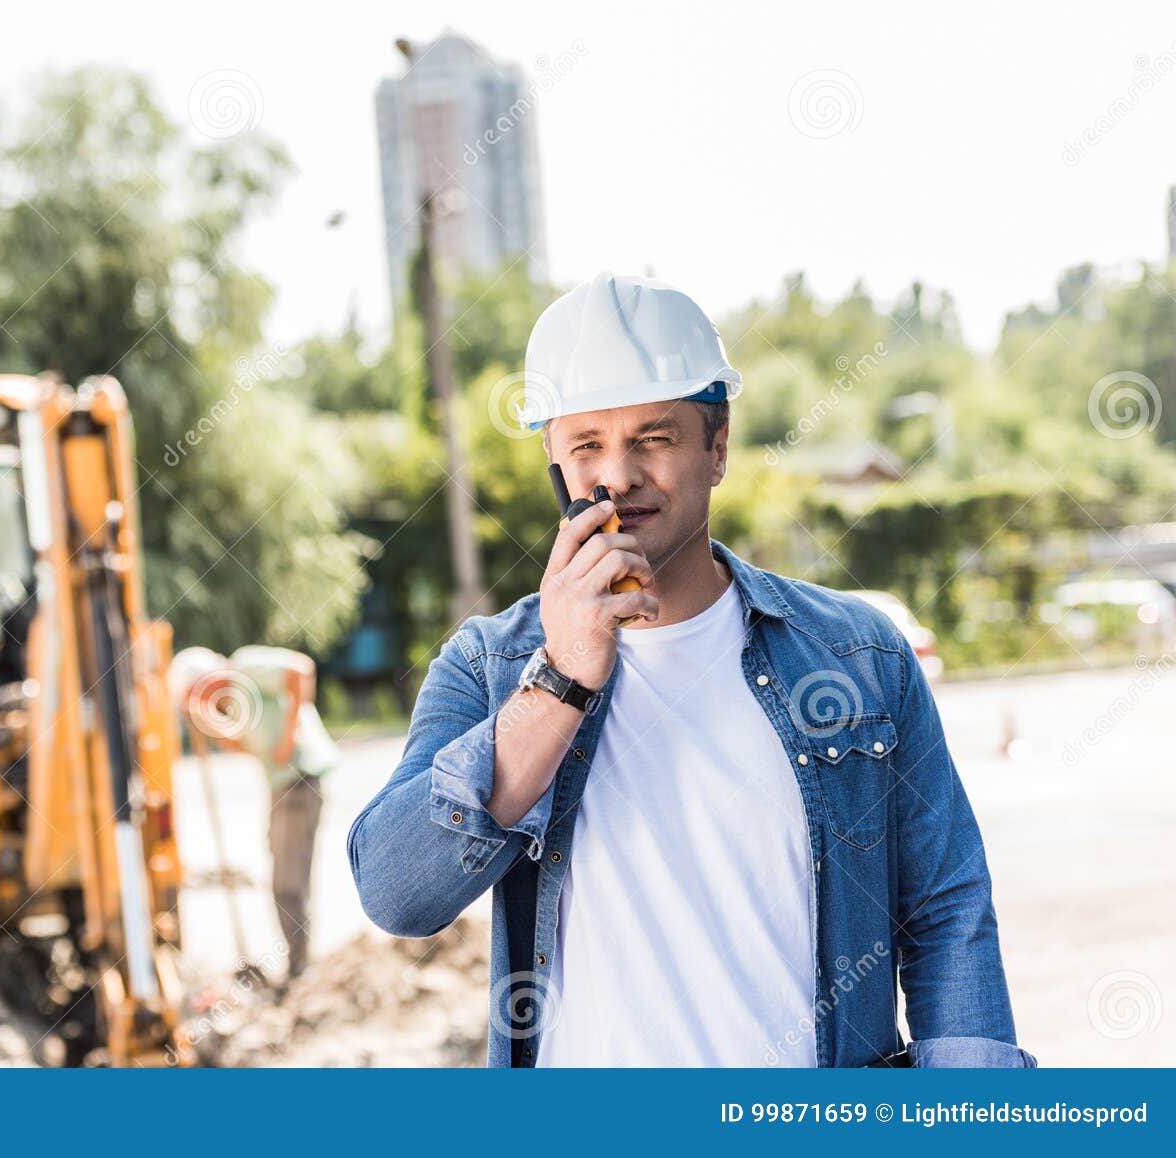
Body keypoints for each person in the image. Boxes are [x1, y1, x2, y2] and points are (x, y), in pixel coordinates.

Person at [347, 273, 1035, 1069]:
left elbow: (946, 911)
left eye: (654, 438)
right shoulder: (488, 667)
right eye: (586, 445)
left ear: (718, 448)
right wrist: (564, 677)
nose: (617, 476)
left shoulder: (861, 656)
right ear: (555, 463)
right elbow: (397, 894)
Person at [174, 644, 339, 980]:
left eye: (196, 693)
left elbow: (300, 670)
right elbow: (240, 746)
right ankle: (299, 965)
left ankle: (301, 969)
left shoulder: (243, 668)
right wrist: (205, 720)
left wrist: (290, 735)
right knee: (282, 874)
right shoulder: (234, 703)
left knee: (288, 881)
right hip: (281, 786)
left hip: (299, 779)